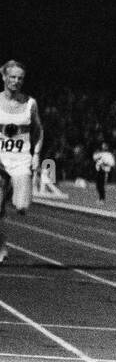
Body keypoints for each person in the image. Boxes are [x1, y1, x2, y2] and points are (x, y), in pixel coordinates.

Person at [0, 61, 44, 264]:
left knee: (22, 206)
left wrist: (36, 154)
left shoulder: (30, 103)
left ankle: (11, 194)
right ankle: (1, 246)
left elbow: (38, 130)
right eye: (13, 76)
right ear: (4, 77)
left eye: (20, 78)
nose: (16, 81)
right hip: (0, 160)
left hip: (21, 160)